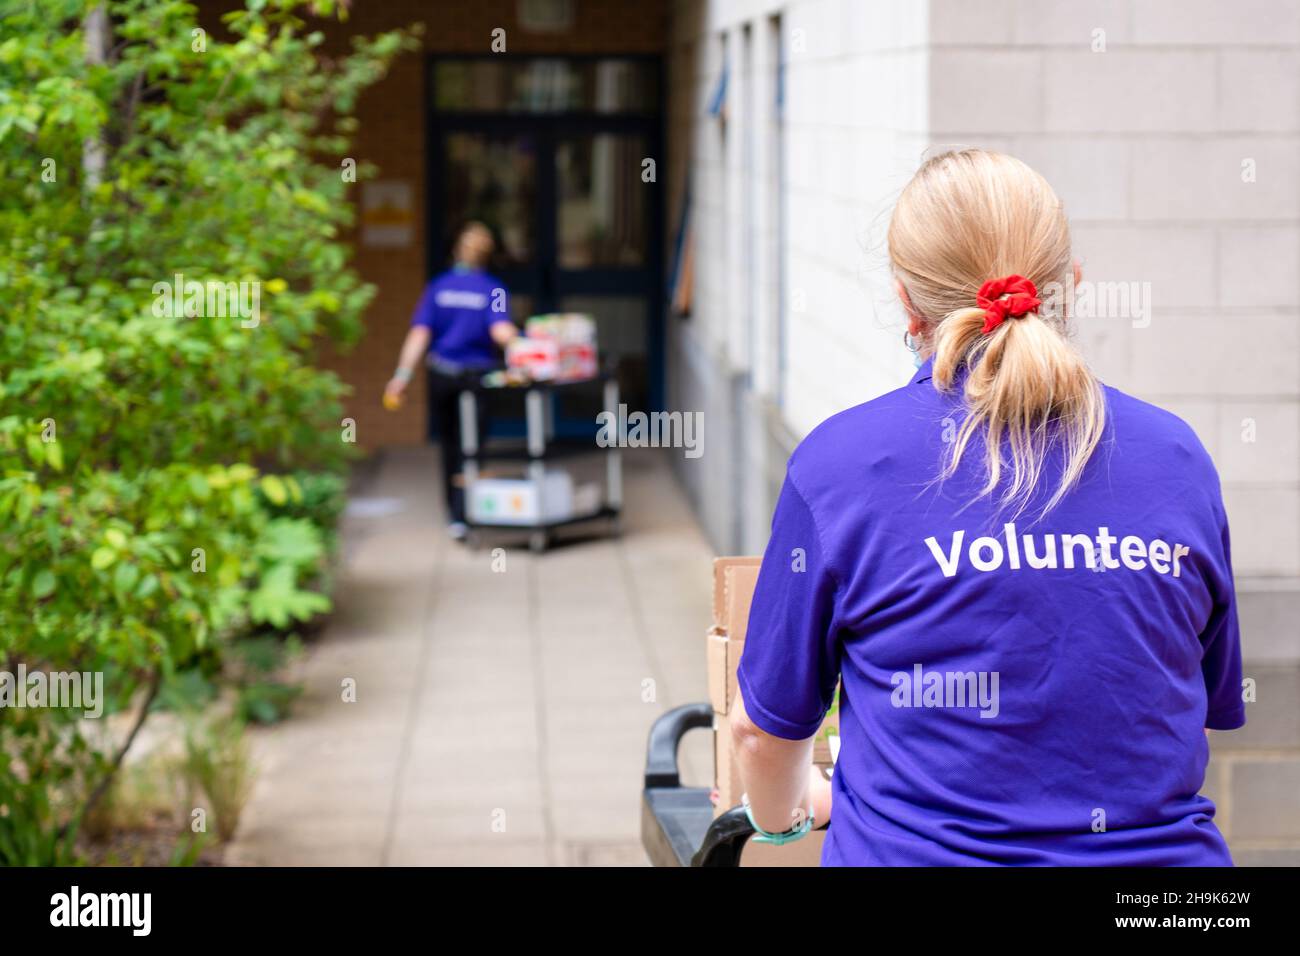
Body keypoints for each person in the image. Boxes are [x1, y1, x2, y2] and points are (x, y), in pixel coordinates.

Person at [731, 149, 1245, 866]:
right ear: (1072, 288)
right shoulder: (1178, 459)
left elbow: (761, 732)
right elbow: (1187, 709)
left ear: (906, 302)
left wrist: (786, 815)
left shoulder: (840, 465)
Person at [384, 222, 518, 540]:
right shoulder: (493, 289)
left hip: (442, 375)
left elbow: (420, 333)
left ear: (458, 250)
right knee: (471, 445)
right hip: (476, 378)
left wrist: (401, 375)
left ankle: (454, 514)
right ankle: (465, 511)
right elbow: (502, 332)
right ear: (488, 255)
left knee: (449, 444)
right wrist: (532, 345)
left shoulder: (439, 287)